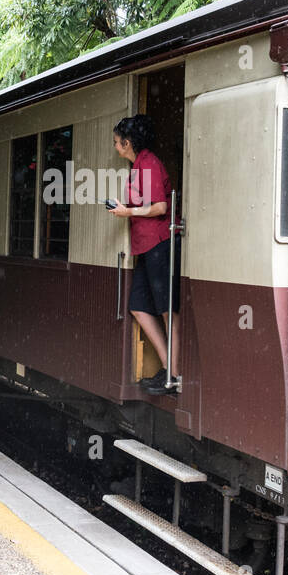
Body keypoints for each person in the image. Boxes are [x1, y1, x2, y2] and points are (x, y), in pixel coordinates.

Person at [108, 114, 180, 396]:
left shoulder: (148, 163)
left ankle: (173, 375)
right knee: (139, 305)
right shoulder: (138, 166)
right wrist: (126, 207)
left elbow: (160, 207)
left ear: (128, 142)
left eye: (116, 142)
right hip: (146, 247)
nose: (115, 147)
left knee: (167, 310)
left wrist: (128, 211)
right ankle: (169, 370)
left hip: (159, 244)